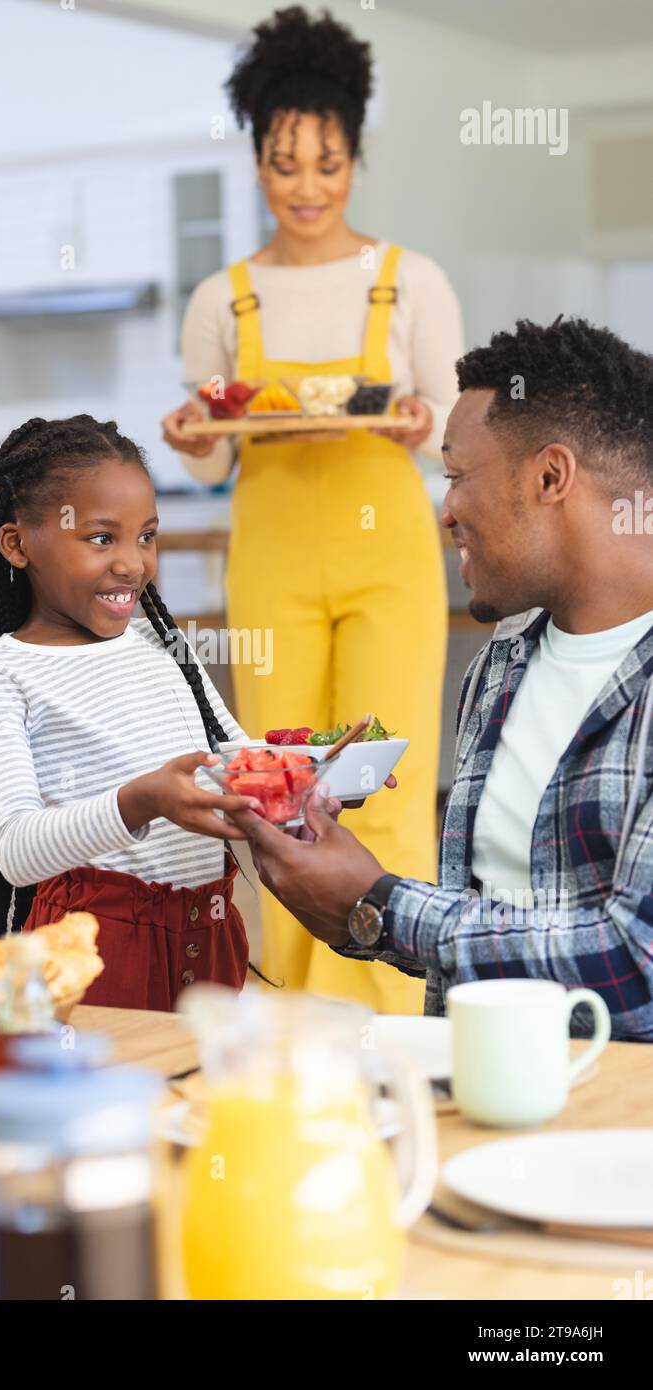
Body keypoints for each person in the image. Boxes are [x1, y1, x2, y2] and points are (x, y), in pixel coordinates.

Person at [227, 316, 653, 1041]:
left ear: (551, 475)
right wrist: (352, 901)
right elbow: (490, 933)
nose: (445, 510)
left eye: (455, 476)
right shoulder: (504, 661)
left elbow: (636, 967)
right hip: (484, 1101)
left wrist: (376, 905)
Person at [162, 6, 462, 1013]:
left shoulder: (408, 280)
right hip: (273, 558)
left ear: (355, 159)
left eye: (327, 163)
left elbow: (452, 428)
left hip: (392, 556)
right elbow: (209, 463)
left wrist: (419, 424)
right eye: (286, 163)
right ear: (256, 161)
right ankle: (295, 1021)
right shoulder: (223, 300)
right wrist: (198, 441)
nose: (307, 186)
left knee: (387, 785)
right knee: (280, 788)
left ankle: (396, 1014)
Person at [0, 414, 264, 1011]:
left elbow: (235, 758)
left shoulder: (161, 642)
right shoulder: (0, 675)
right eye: (102, 538)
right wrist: (139, 801)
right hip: (95, 947)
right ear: (18, 544)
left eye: (146, 536)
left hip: (211, 932)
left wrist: (307, 776)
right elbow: (16, 851)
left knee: (197, 1099)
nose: (133, 563)